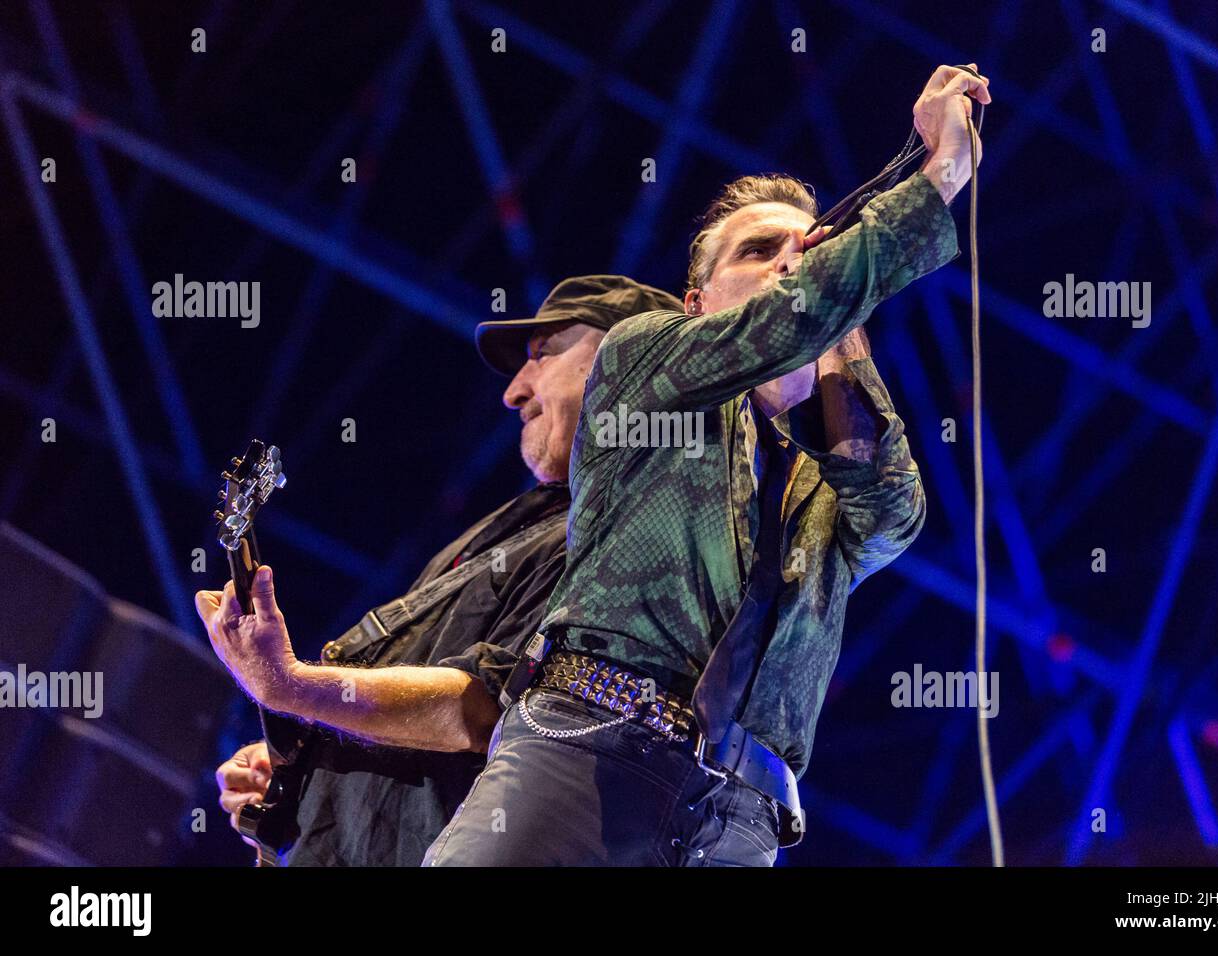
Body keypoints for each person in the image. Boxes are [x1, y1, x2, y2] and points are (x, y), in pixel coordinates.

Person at [425, 64, 991, 866]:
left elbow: (893, 515)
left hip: (739, 827)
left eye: (810, 251)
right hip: (582, 757)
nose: (792, 263)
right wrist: (942, 176)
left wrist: (841, 325)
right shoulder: (642, 363)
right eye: (761, 251)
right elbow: (782, 324)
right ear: (694, 303)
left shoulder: (824, 483)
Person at [196, 275, 681, 865]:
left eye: (543, 354)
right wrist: (318, 748)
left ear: (629, 362)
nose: (514, 391)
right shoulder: (515, 525)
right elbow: (425, 722)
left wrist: (291, 686)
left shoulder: (627, 528)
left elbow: (487, 707)